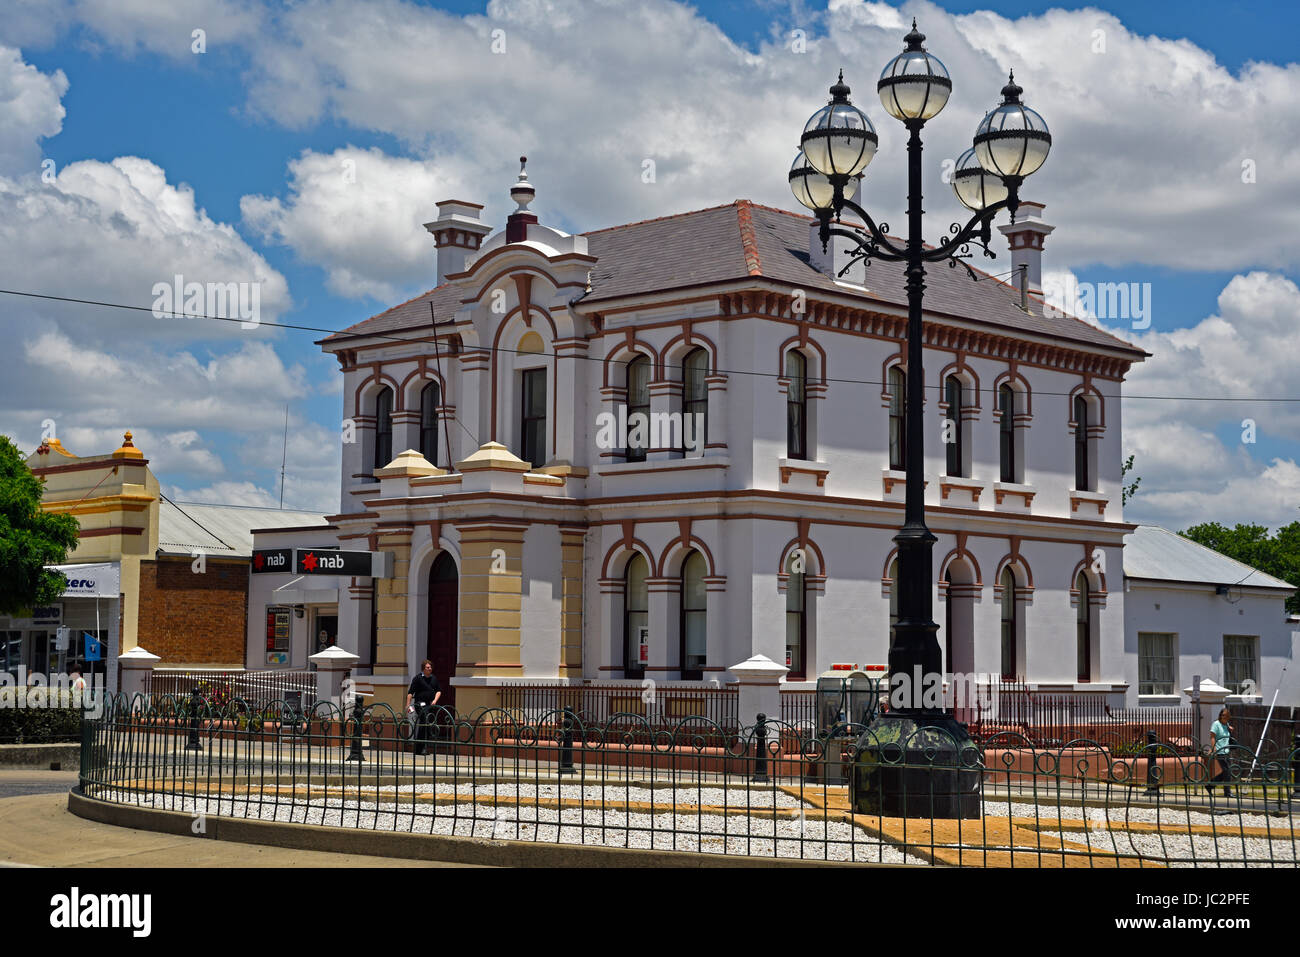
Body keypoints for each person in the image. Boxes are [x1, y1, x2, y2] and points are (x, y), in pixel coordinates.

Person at [405, 660, 442, 756]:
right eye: (427, 667)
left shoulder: (434, 678)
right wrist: (408, 705)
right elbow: (410, 692)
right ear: (423, 669)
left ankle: (422, 747)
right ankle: (421, 748)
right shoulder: (417, 678)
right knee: (424, 722)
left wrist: (435, 700)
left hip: (430, 705)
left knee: (428, 724)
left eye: (430, 667)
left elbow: (438, 691)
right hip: (420, 704)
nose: (429, 669)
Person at [1208, 706, 1234, 798]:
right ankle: (1227, 792)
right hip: (1219, 750)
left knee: (1227, 771)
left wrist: (1230, 730)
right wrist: (1213, 748)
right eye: (1223, 715)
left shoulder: (1226, 724)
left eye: (1226, 715)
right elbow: (1212, 737)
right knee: (1227, 771)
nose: (1224, 717)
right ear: (1220, 716)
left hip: (1226, 750)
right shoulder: (1216, 724)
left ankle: (1210, 785)